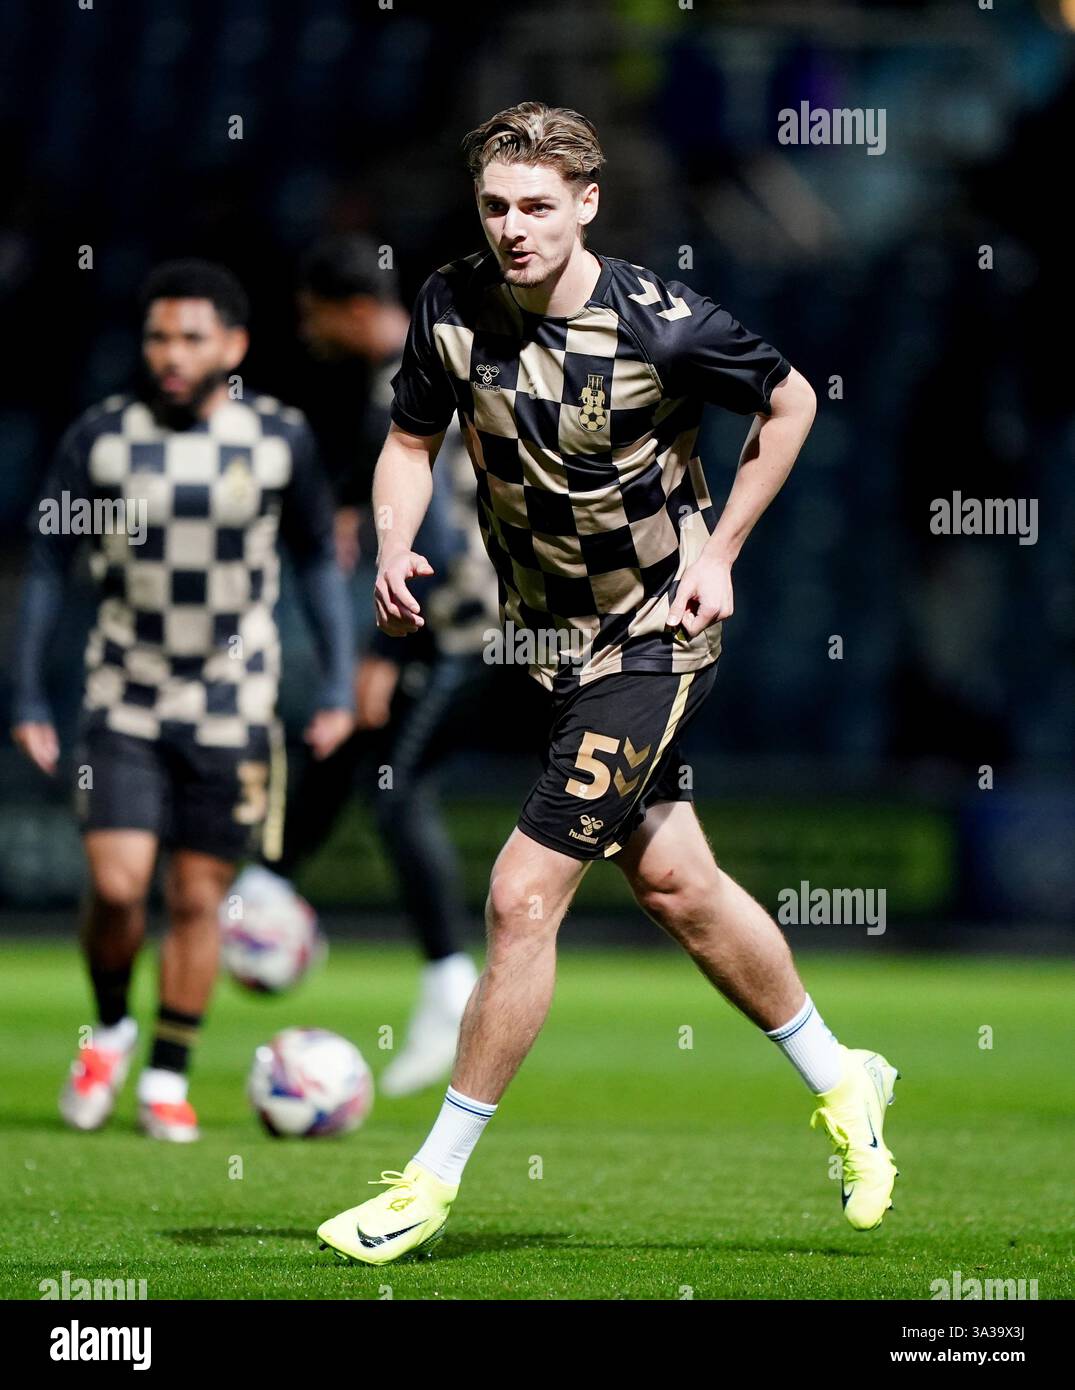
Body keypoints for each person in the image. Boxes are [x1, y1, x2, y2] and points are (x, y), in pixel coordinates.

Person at [316, 103, 899, 1264]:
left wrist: (720, 550)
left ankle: (428, 1183)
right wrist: (391, 542)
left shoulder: (662, 323)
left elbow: (792, 399)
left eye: (537, 206)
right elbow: (409, 444)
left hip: (649, 634)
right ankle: (847, 1078)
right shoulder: (448, 305)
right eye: (495, 207)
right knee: (677, 883)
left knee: (521, 895)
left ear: (586, 204)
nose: (513, 228)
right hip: (541, 642)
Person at [10, 259, 354, 1142]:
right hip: (122, 696)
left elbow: (318, 555)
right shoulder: (102, 437)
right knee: (120, 886)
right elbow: (48, 562)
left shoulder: (278, 437)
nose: (170, 353)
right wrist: (29, 693)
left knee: (199, 900)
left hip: (237, 705)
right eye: (159, 335)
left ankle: (166, 1073)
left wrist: (339, 681)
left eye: (191, 337)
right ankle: (114, 1027)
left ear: (233, 345)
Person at [229, 234, 510, 1096]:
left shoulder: (409, 371)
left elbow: (425, 529)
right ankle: (268, 879)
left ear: (352, 312)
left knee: (393, 783)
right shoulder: (409, 365)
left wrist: (385, 649)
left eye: (315, 317)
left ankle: (447, 984)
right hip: (451, 617)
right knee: (355, 750)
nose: (308, 334)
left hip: (467, 625)